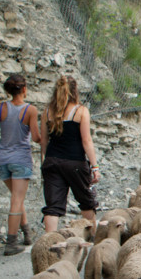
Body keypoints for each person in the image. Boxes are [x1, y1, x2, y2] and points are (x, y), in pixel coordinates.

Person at [0, 73, 42, 256]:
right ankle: (11, 242)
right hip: (21, 160)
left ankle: (27, 233)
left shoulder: (0, 108)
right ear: (24, 89)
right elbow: (36, 138)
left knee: (16, 197)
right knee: (17, 199)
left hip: (2, 160)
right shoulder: (31, 110)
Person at [38, 75, 99, 233]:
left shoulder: (47, 111)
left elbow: (43, 140)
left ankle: (50, 243)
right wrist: (95, 166)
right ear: (75, 91)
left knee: (53, 206)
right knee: (86, 201)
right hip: (75, 162)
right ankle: (92, 238)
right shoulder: (81, 111)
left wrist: (46, 160)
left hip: (52, 160)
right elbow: (86, 141)